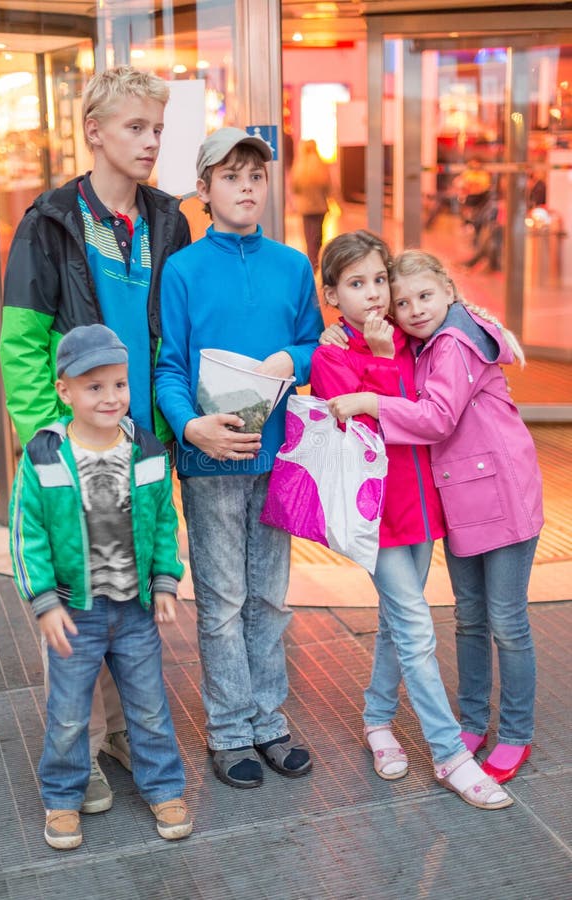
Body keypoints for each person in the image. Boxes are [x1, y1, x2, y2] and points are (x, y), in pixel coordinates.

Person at [0, 66, 191, 814]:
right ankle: (77, 757)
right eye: (136, 128)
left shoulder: (170, 221)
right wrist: (46, 441)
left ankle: (118, 738)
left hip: (141, 450)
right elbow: (22, 345)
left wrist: (173, 430)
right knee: (77, 601)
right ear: (95, 132)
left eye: (156, 130)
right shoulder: (48, 221)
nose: (149, 143)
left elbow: (173, 331)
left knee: (130, 592)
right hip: (76, 448)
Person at [313, 231, 512, 811]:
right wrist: (374, 360)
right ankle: (451, 754)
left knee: (398, 624)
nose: (373, 295)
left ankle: (378, 720)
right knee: (416, 624)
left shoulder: (411, 335)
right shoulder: (330, 355)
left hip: (422, 504)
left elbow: (429, 415)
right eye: (356, 284)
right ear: (332, 295)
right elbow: (368, 428)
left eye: (380, 280)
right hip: (374, 515)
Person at [154, 126, 324, 789]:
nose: (246, 186)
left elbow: (316, 345)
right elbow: (169, 366)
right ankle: (229, 731)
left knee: (270, 598)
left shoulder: (291, 265)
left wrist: (295, 358)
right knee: (222, 602)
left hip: (276, 459)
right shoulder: (184, 270)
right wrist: (192, 428)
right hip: (210, 463)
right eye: (230, 176)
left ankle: (268, 721)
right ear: (204, 190)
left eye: (255, 176)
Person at [9, 325, 191, 850]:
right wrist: (42, 602)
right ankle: (62, 799)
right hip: (75, 612)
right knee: (68, 712)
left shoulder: (146, 448)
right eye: (94, 387)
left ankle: (164, 787)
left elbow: (161, 519)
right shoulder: (45, 454)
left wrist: (164, 581)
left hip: (135, 611)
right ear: (64, 390)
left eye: (119, 384)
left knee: (151, 706)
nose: (111, 397)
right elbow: (29, 533)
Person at [290, 139, 332, 270]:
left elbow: (295, 188)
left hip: (305, 208)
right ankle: (318, 263)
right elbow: (328, 188)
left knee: (309, 238)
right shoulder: (321, 166)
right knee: (318, 236)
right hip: (320, 207)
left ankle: (312, 264)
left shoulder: (299, 167)